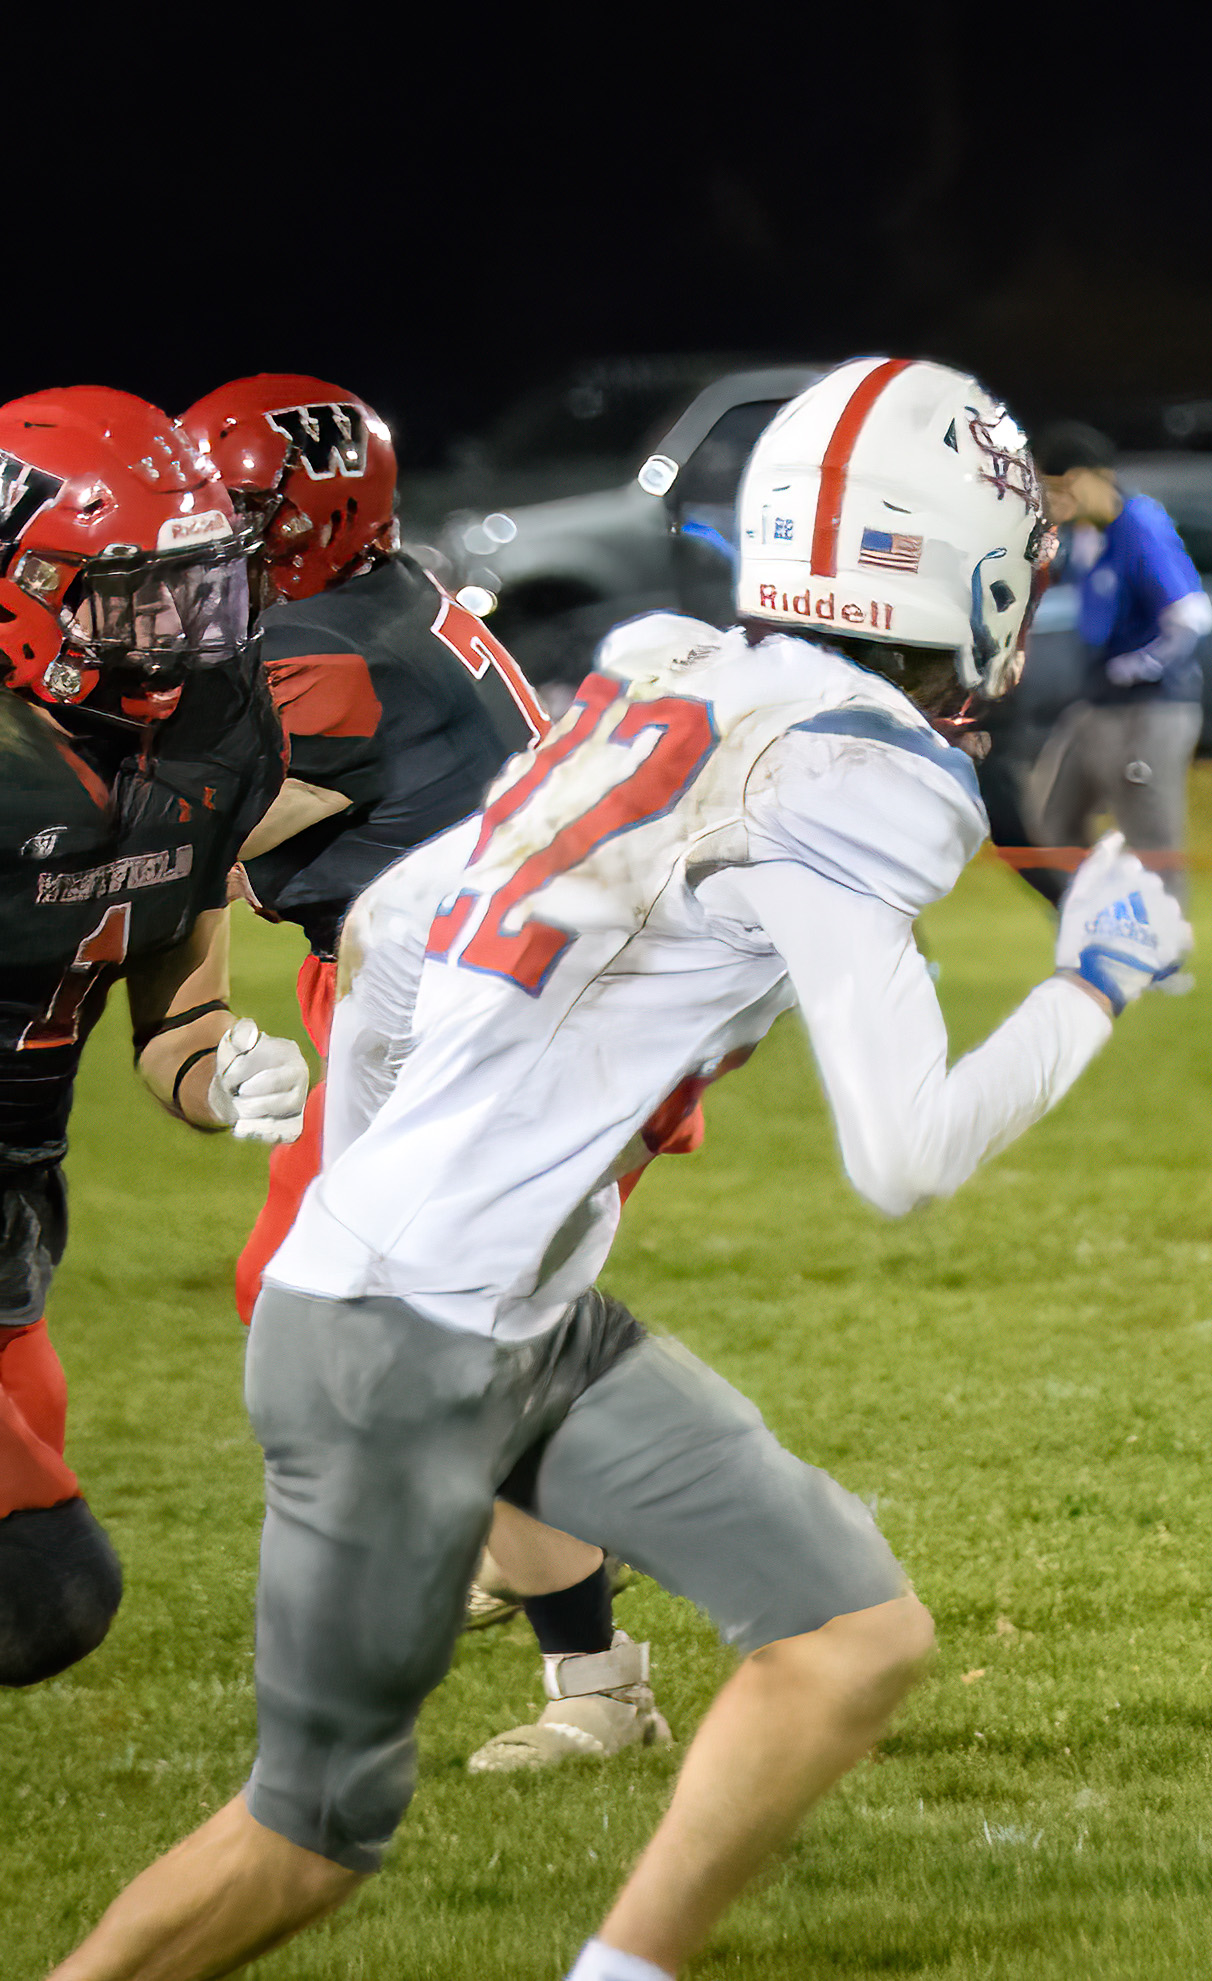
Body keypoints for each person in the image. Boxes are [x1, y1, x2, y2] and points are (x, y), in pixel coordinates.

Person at [47, 357, 1192, 1981]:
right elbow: (906, 1153)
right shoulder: (864, 774)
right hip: (403, 1340)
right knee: (309, 1840)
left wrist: (388, 1161)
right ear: (962, 570)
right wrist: (1096, 979)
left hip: (509, 1314)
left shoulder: (670, 667)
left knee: (851, 1636)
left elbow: (390, 928)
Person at [185, 372, 675, 1772]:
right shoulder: (375, 596)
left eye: (230, 519)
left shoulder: (326, 656)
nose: (203, 546)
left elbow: (186, 834)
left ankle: (598, 1678)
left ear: (303, 519)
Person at [1, 388, 307, 1690]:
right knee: (47, 1594)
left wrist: (222, 1068)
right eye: (136, 598)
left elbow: (172, 1008)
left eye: (202, 586)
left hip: (20, 1195)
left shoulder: (218, 728)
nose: (184, 631)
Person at [1031, 421, 1212, 918]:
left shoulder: (1140, 524)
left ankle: (1164, 952)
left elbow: (1192, 615)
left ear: (1097, 476)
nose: (1059, 501)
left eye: (1065, 487)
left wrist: (1138, 666)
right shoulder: (1086, 535)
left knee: (1150, 831)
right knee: (1051, 816)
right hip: (1098, 702)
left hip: (1151, 707)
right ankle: (1106, 920)